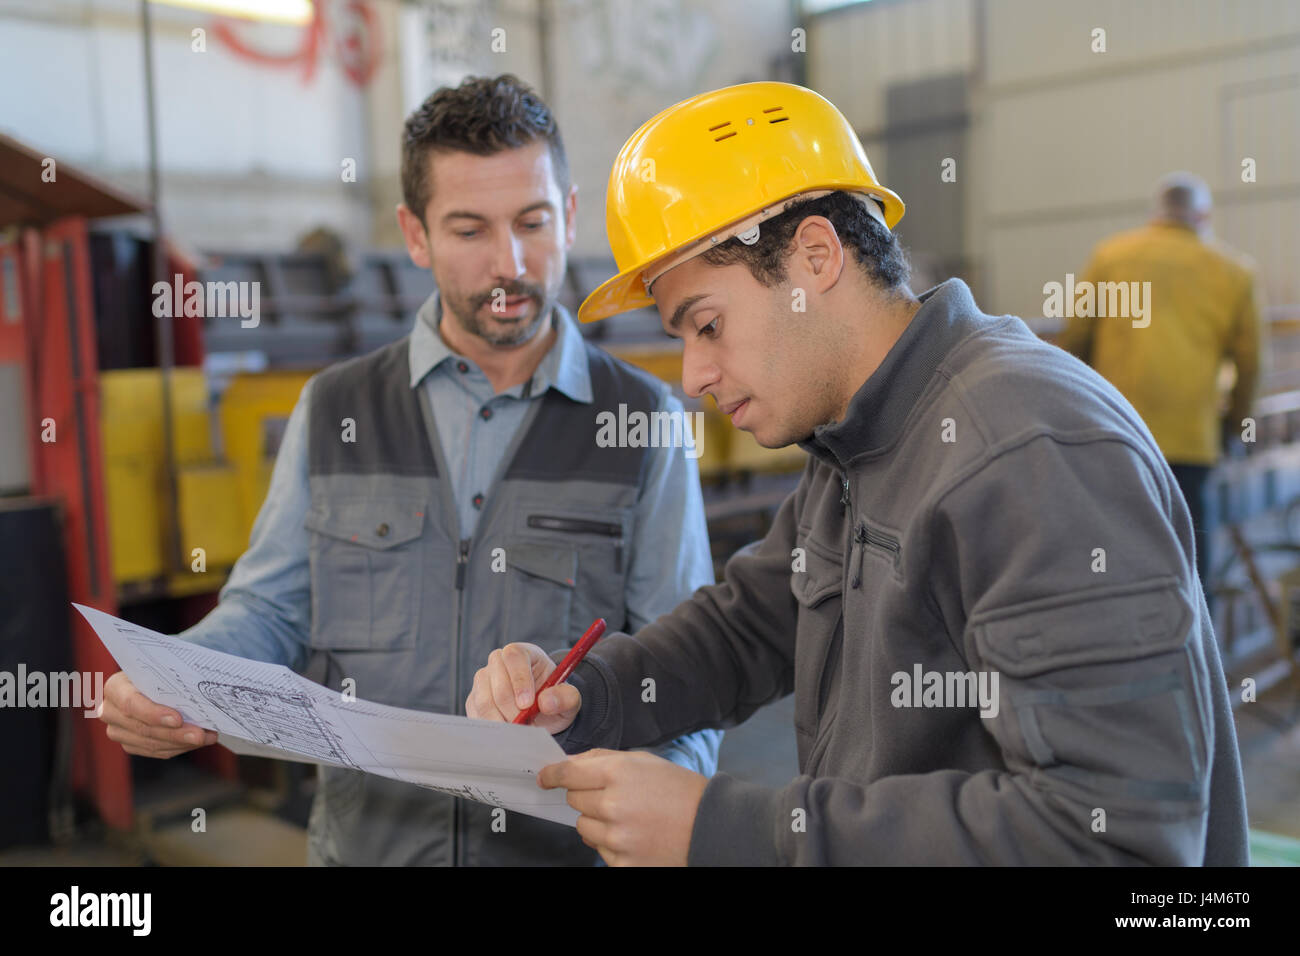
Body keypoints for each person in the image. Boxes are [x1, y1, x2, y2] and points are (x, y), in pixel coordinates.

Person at [467, 81, 1250, 866]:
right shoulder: (859, 433)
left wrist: (733, 832)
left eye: (707, 325)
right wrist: (590, 691)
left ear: (815, 256)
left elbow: (1114, 835)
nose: (694, 376)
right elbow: (751, 625)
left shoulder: (1024, 449)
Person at [97, 74, 720, 866]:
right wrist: (176, 680)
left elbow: (688, 668)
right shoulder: (335, 410)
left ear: (567, 215)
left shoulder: (644, 423)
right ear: (416, 235)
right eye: (470, 230)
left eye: (532, 222)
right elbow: (271, 610)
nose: (511, 263)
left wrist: (667, 806)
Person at [1056, 172, 1264, 588]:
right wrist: (1235, 426)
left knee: (1116, 541)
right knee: (1188, 545)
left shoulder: (1111, 255)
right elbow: (1250, 362)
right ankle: (1195, 638)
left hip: (1116, 429)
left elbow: (1075, 339)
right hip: (1192, 438)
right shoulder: (1234, 271)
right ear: (1202, 216)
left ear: (1157, 216)